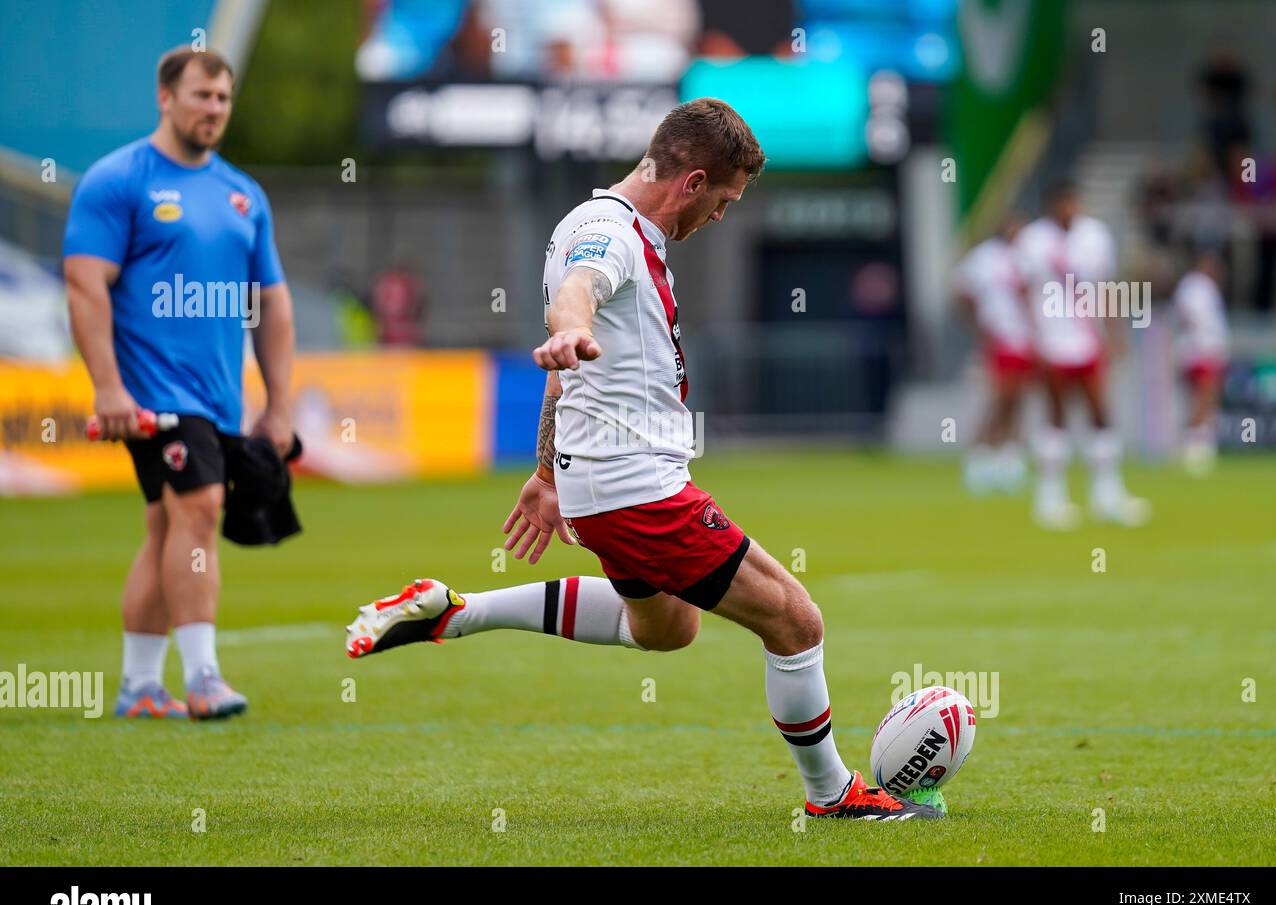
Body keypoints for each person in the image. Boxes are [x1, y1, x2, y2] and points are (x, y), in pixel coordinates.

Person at [342, 98, 942, 821]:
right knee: (795, 620)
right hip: (637, 492)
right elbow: (576, 298)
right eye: (721, 201)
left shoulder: (606, 227)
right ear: (690, 182)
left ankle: (455, 614)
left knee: (667, 628)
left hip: (611, 486)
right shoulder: (607, 233)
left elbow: (570, 370)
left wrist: (542, 474)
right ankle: (832, 795)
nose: (719, 217)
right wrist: (568, 330)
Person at [63, 47, 296, 719]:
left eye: (223, 98)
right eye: (201, 96)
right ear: (165, 98)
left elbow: (272, 303)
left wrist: (278, 405)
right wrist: (108, 388)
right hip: (153, 396)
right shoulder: (118, 180)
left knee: (168, 524)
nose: (214, 109)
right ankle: (203, 678)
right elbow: (85, 284)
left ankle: (140, 687)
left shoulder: (243, 193)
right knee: (198, 508)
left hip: (220, 397)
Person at [1016, 180, 1150, 530]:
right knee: (1055, 415)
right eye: (1063, 202)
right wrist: (1032, 337)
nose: (1069, 208)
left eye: (1073, 201)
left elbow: (1105, 287)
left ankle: (1107, 495)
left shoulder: (1095, 235)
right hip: (1051, 337)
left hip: (1087, 336)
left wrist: (1115, 334)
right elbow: (1022, 291)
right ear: (1051, 204)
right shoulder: (1034, 240)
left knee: (1101, 412)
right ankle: (1050, 497)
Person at [952, 213, 1033, 494]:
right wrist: (979, 327)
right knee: (1000, 397)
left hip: (1027, 337)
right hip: (1000, 337)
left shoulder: (1028, 257)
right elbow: (961, 293)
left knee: (1018, 399)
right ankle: (979, 456)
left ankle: (1008, 457)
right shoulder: (983, 258)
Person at [1172, 250, 1230, 474]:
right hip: (1199, 350)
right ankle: (1193, 448)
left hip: (1207, 349)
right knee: (1202, 398)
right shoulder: (1193, 285)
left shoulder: (1205, 286)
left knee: (1208, 400)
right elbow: (1193, 317)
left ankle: (1202, 445)